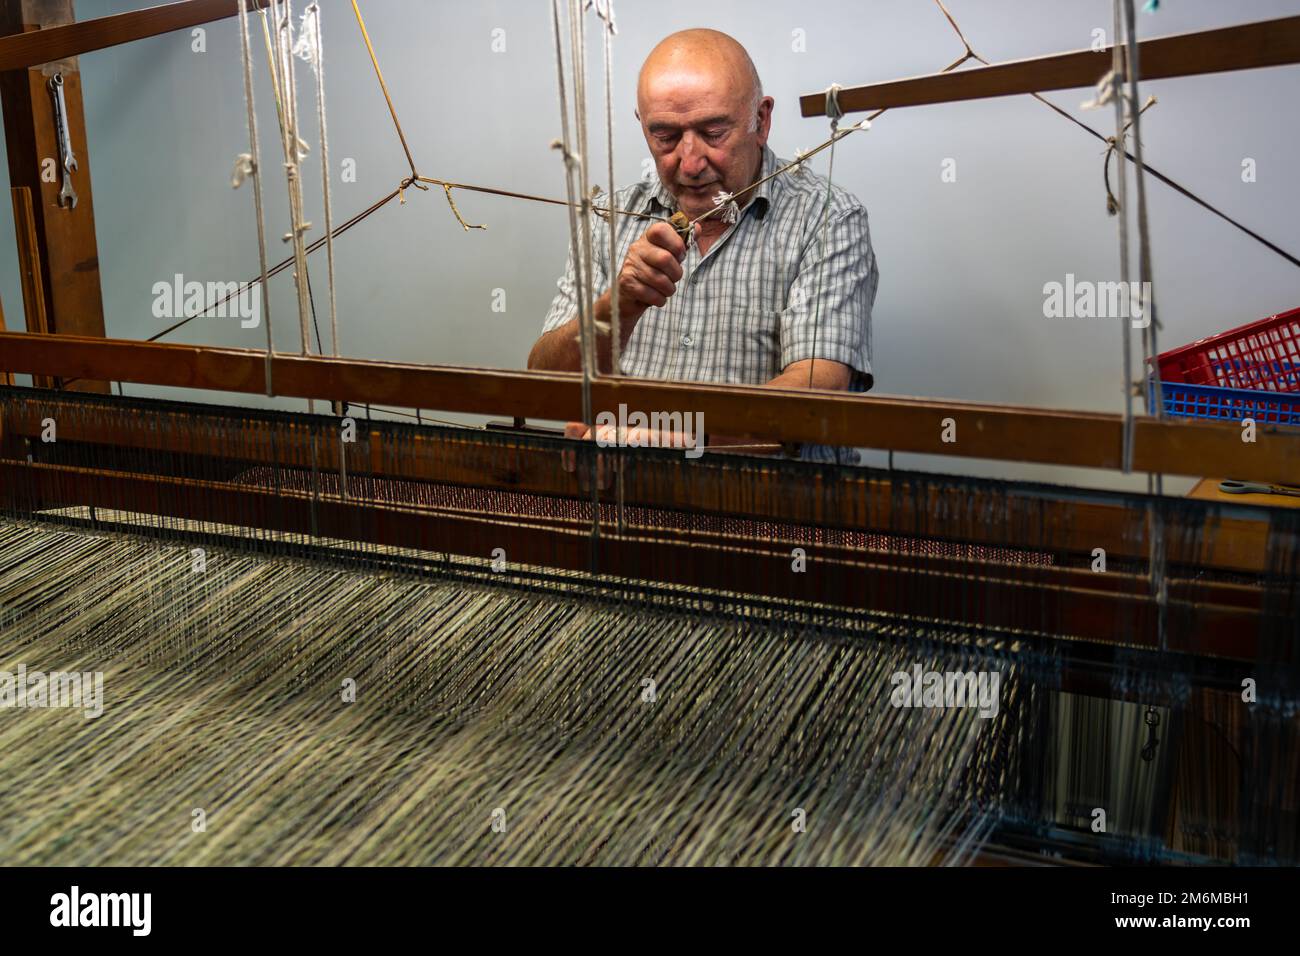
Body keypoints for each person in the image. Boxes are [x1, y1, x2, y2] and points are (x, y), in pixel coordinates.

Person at [527, 27, 878, 465]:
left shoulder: (828, 217)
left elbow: (815, 392)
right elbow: (545, 385)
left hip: (769, 511)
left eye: (713, 132)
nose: (690, 164)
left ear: (761, 121)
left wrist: (663, 435)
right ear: (643, 126)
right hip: (625, 504)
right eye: (665, 137)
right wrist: (622, 302)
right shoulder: (608, 217)